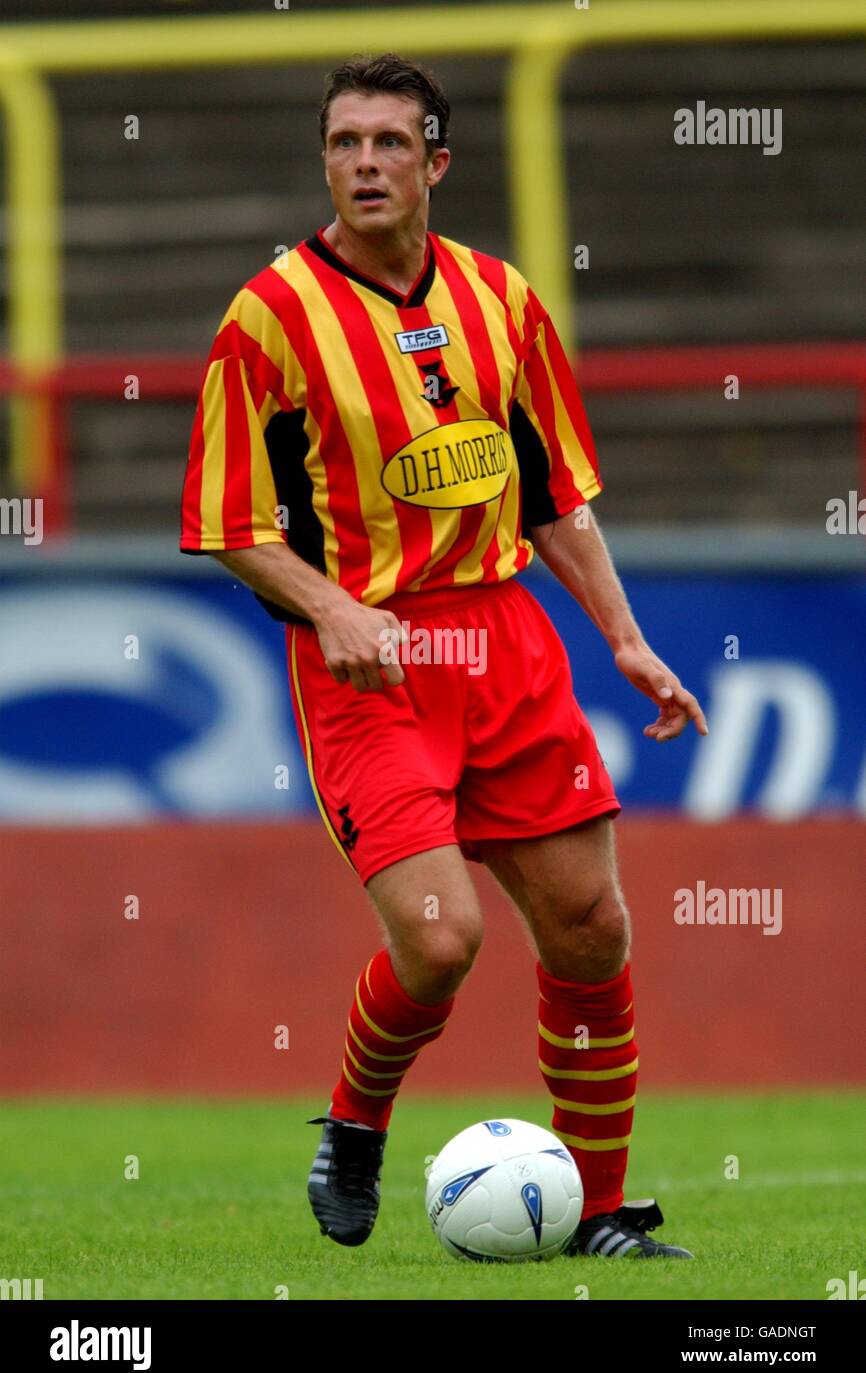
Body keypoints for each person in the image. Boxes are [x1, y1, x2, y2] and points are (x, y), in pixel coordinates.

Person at [179, 52, 707, 1260]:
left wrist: (621, 638)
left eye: (389, 142)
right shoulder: (269, 315)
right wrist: (333, 610)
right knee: (439, 936)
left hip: (507, 644)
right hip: (371, 668)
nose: (364, 162)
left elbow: (555, 497)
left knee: (588, 926)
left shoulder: (503, 301)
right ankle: (356, 1126)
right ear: (325, 160)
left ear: (435, 164)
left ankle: (605, 1213)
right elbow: (226, 521)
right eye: (344, 142)